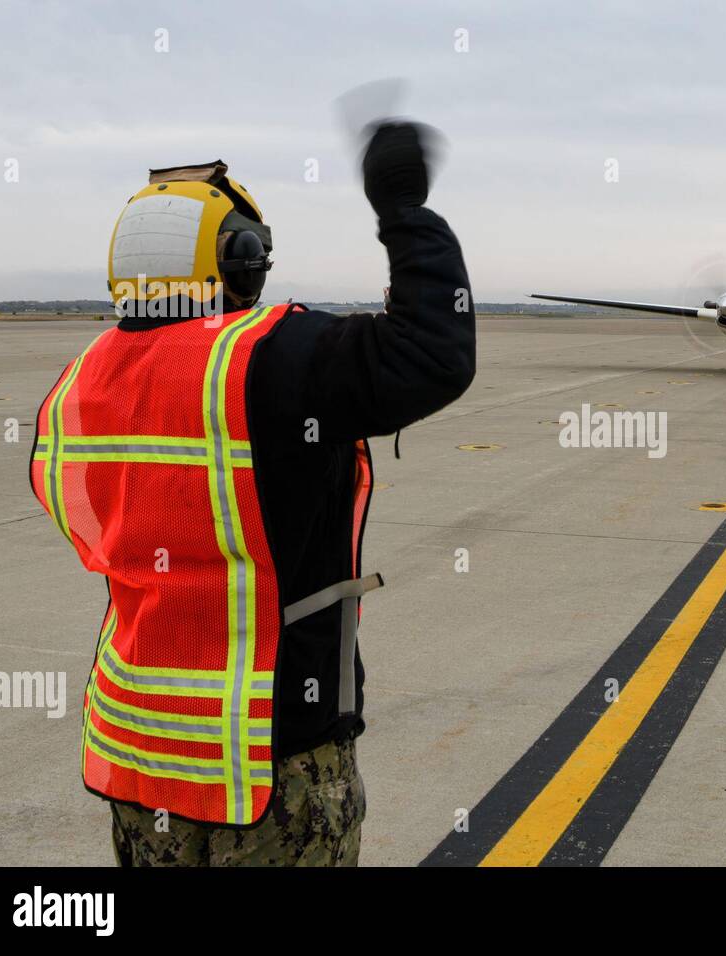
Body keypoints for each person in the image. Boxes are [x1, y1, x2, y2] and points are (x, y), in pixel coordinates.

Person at [29, 122, 475, 865]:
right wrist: (404, 211)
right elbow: (435, 350)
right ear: (240, 262)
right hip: (267, 762)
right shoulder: (272, 359)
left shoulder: (79, 384)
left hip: (138, 754)